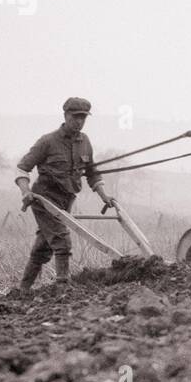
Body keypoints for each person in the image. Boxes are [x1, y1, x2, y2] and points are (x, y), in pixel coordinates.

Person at [14, 97, 115, 290]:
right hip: (44, 199)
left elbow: (92, 173)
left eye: (83, 118)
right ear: (66, 115)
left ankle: (22, 290)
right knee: (62, 240)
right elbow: (22, 169)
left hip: (66, 200)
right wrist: (25, 191)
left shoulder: (85, 142)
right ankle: (63, 286)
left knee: (43, 247)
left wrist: (105, 196)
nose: (79, 121)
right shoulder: (48, 141)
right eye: (76, 117)